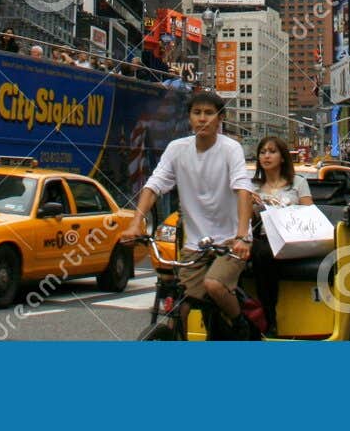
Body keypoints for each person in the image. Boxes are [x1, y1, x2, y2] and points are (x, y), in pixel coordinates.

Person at [122, 90, 257, 338]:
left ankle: (241, 327)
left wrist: (241, 236)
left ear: (220, 119)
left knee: (214, 284)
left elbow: (243, 189)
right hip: (195, 245)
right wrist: (135, 223)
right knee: (180, 302)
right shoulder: (177, 149)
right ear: (189, 119)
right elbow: (154, 185)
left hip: (230, 242)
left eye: (209, 113)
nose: (202, 119)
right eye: (197, 113)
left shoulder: (231, 149)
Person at [248, 136, 313, 337]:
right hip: (262, 239)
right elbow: (243, 220)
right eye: (262, 152)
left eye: (272, 151)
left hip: (291, 240)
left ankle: (268, 318)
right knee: (260, 251)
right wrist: (251, 206)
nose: (266, 156)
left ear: (283, 157)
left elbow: (309, 214)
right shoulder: (252, 187)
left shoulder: (298, 183)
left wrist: (281, 208)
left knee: (263, 253)